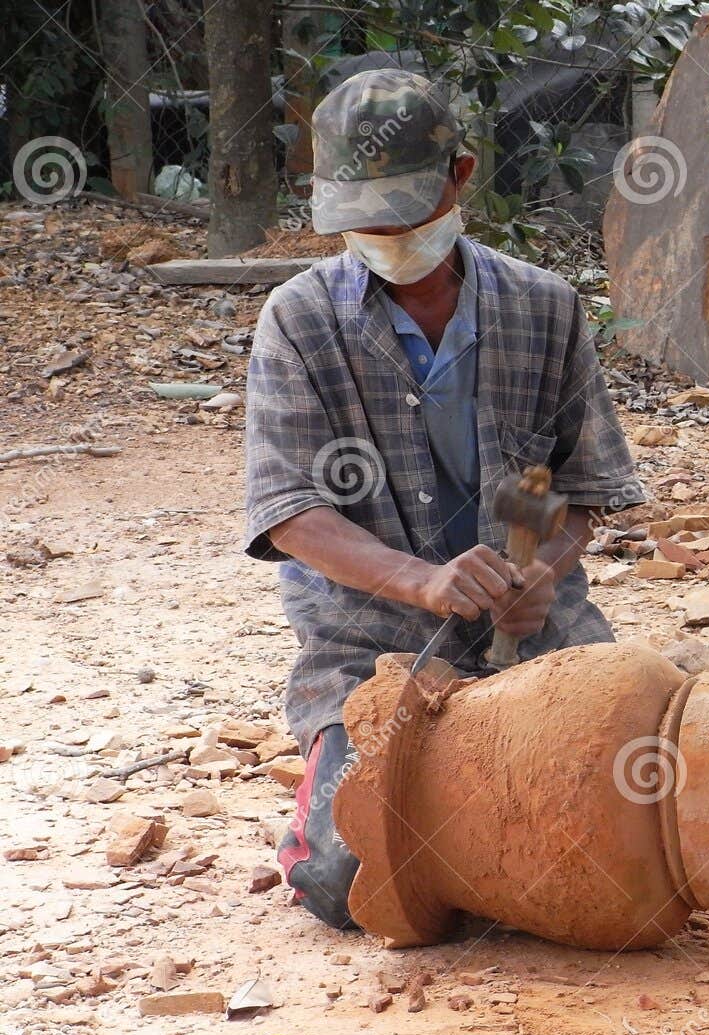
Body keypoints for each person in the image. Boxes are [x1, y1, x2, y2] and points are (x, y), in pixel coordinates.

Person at [243, 68, 645, 928]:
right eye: (364, 220)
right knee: (349, 880)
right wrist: (420, 583)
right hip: (372, 643)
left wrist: (540, 570)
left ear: (461, 177)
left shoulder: (544, 309)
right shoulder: (300, 321)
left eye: (404, 213)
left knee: (624, 831)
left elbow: (565, 485)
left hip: (538, 636)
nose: (384, 235)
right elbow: (289, 513)